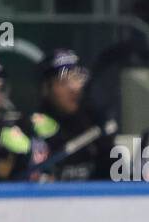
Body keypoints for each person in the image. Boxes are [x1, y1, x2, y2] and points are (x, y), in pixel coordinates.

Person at [29, 49, 113, 182]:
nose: (73, 88)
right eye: (63, 82)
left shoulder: (95, 123)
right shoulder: (33, 129)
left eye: (76, 79)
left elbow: (114, 178)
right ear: (46, 89)